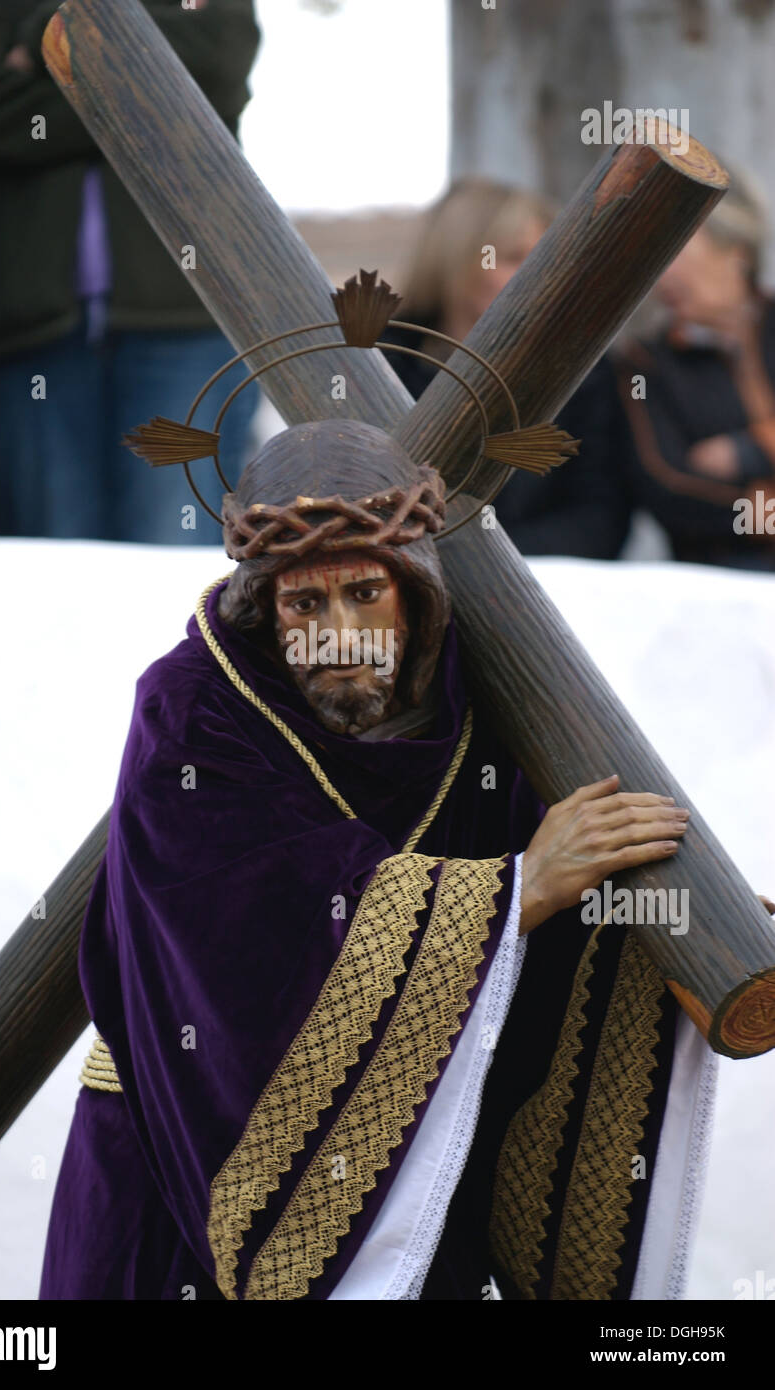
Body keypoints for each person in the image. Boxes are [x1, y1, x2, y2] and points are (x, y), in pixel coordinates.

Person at [39, 408, 716, 1301]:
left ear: (416, 589)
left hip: (412, 1159)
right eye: (304, 603)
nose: (340, 633)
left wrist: (671, 919)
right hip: (185, 1161)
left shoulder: (477, 695)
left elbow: (573, 877)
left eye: (366, 593)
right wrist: (515, 894)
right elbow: (248, 939)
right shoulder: (197, 710)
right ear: (264, 611)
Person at [0, 0, 260, 544]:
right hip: (31, 340)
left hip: (187, 328)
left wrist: (45, 37)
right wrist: (144, 95)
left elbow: (221, 71)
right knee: (50, 576)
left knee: (172, 570)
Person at [381, 178, 632, 559]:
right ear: (458, 259)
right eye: (515, 258)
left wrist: (488, 568)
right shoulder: (383, 363)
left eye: (545, 259)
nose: (537, 277)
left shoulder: (583, 368)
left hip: (543, 587)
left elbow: (601, 516)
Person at [615, 165, 775, 569]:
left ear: (736, 248)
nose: (660, 273)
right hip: (724, 580)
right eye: (650, 254)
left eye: (675, 249)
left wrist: (752, 449)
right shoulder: (644, 365)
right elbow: (670, 488)